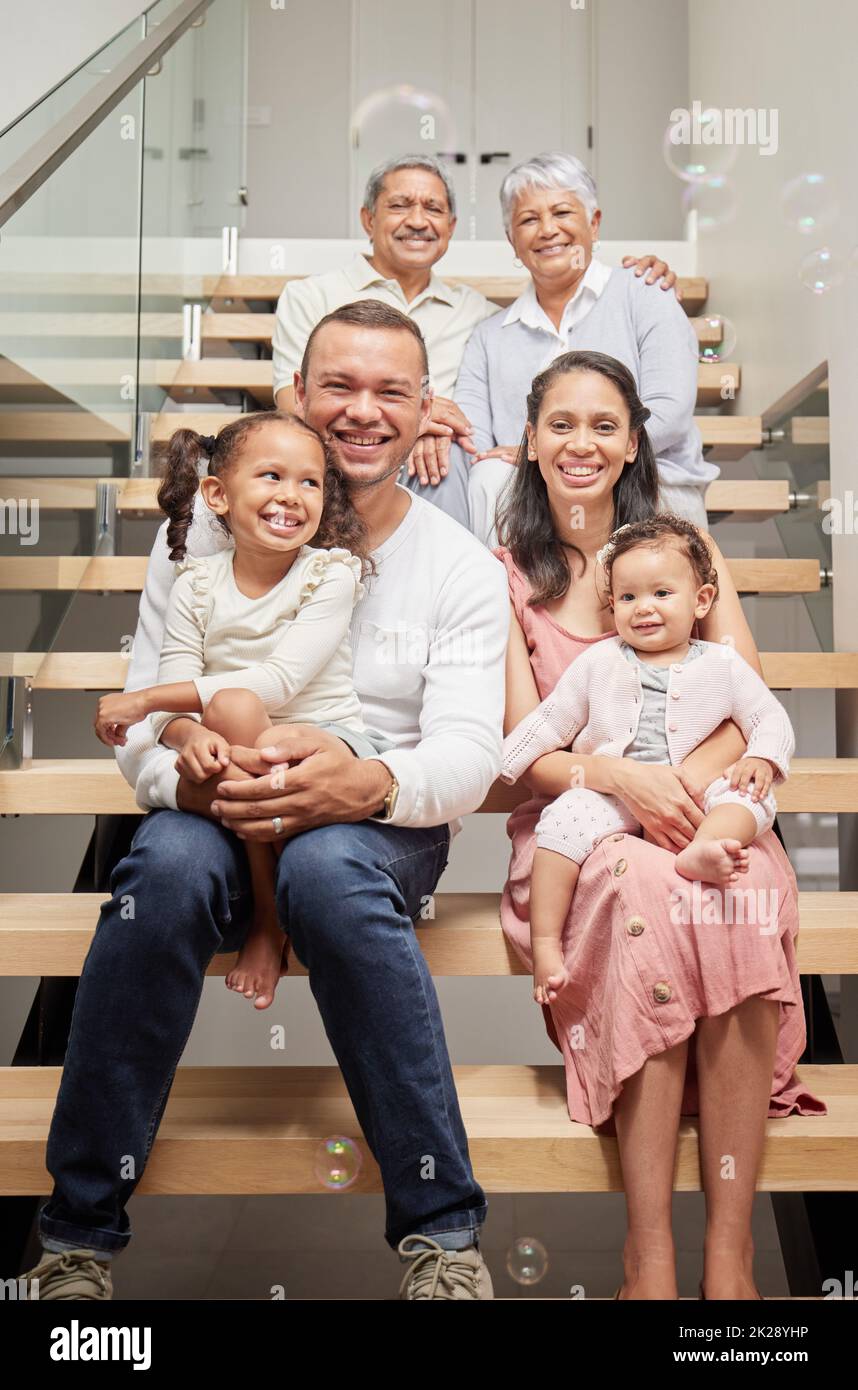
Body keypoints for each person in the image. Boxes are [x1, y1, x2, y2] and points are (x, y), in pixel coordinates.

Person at [25, 301, 509, 1302]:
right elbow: (150, 729)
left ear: (426, 409)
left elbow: (468, 753)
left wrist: (371, 781)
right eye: (339, 385)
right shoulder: (198, 540)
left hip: (374, 820)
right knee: (161, 870)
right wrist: (192, 772)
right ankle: (77, 1237)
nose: (363, 410)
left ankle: (442, 1233)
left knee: (328, 872)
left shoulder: (457, 564)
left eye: (391, 391)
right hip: (219, 805)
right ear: (295, 394)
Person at [494, 348, 825, 1300]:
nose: (582, 444)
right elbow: (528, 752)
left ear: (634, 442)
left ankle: (730, 1247)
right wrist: (618, 779)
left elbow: (748, 711)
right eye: (561, 424)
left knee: (742, 887)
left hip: (705, 808)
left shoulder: (688, 554)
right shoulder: (506, 576)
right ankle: (649, 1249)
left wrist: (679, 789)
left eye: (605, 425)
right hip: (581, 822)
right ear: (530, 442)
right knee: (644, 888)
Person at [93, 412, 395, 1010]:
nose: (292, 495)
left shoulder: (330, 573)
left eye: (310, 482)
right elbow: (176, 699)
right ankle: (271, 907)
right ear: (217, 495)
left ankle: (265, 914)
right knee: (223, 720)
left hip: (321, 742)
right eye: (271, 476)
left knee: (233, 703)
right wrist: (187, 739)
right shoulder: (196, 583)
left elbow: (275, 684)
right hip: (232, 746)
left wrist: (148, 700)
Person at [272, 152, 677, 527]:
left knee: (445, 461)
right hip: (345, 456)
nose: (418, 221)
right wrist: (416, 419)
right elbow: (297, 404)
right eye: (399, 205)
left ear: (451, 227)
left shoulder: (476, 312)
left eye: (433, 209)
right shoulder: (311, 297)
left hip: (436, 466)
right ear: (367, 219)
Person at [499, 512, 795, 1007]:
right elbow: (553, 721)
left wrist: (763, 759)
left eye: (661, 593)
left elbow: (768, 716)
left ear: (702, 601)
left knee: (747, 801)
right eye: (628, 597)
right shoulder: (598, 663)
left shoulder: (723, 665)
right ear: (612, 604)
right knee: (561, 823)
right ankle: (546, 943)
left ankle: (706, 847)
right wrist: (508, 759)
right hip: (613, 794)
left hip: (700, 793)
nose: (644, 609)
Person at [428, 152, 718, 546]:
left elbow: (671, 411)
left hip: (647, 483)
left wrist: (575, 454)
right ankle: (504, 588)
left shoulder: (647, 293)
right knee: (490, 477)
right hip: (535, 496)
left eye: (562, 213)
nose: (548, 230)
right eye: (529, 220)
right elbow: (473, 437)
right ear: (512, 240)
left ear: (593, 223)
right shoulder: (489, 336)